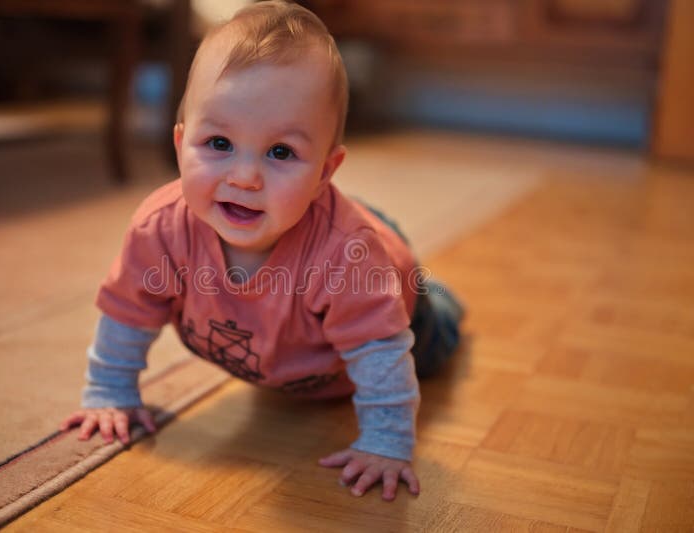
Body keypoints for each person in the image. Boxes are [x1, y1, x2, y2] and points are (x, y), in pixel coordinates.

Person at [60, 0, 463, 502]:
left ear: (325, 172)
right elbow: (127, 311)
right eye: (219, 143)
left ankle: (440, 296)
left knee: (438, 335)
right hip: (322, 274)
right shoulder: (160, 229)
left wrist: (386, 443)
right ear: (180, 144)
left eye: (280, 152)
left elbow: (381, 352)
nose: (245, 177)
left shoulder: (348, 260)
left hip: (395, 297)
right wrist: (109, 392)